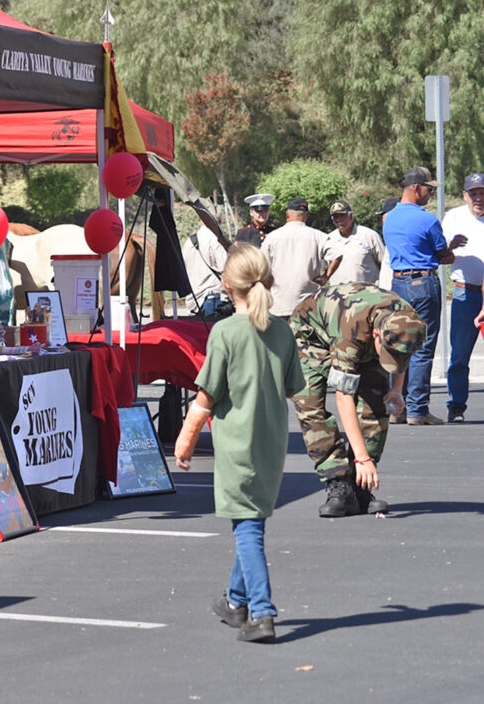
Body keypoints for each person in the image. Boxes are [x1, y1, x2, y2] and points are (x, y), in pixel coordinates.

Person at [174, 243, 304, 643]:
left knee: (248, 529)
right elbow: (295, 388)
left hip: (237, 444)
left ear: (227, 284)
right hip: (271, 442)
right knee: (251, 519)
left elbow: (205, 397)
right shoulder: (282, 330)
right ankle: (235, 602)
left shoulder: (225, 333)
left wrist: (185, 440)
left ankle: (262, 611)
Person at [289, 283, 425, 518]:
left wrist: (396, 389)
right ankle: (339, 484)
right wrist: (361, 457)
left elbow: (402, 352)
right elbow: (344, 397)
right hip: (312, 338)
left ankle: (360, 486)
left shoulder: (408, 320)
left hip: (362, 339)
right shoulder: (351, 330)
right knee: (310, 407)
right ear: (376, 336)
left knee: (377, 405)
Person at [382, 166, 467, 425]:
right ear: (416, 188)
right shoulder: (427, 219)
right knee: (423, 346)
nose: (431, 193)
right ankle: (418, 409)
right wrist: (450, 250)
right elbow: (443, 257)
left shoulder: (390, 218)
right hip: (423, 282)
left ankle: (397, 407)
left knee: (399, 345)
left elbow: (413, 247)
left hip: (398, 284)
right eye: (429, 188)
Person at [441, 173, 484, 422]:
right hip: (465, 293)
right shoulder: (454, 216)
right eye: (474, 193)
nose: (479, 198)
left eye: (483, 192)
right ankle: (456, 405)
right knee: (459, 354)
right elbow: (440, 255)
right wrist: (451, 247)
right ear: (465, 195)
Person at [262, 198, 328, 316]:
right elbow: (338, 256)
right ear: (306, 216)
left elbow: (261, 269)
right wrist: (326, 276)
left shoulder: (272, 237)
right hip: (309, 306)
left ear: (287, 214)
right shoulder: (320, 236)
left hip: (279, 306)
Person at [322, 199, 386, 286]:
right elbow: (324, 269)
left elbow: (384, 265)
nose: (339, 220)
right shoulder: (328, 239)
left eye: (342, 215)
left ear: (351, 216)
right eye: (335, 217)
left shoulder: (369, 236)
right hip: (338, 295)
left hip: (367, 294)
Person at [182, 221, 228, 304]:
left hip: (193, 301)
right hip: (215, 299)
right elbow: (226, 271)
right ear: (220, 221)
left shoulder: (188, 242)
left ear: (200, 221)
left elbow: (182, 271)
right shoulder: (216, 240)